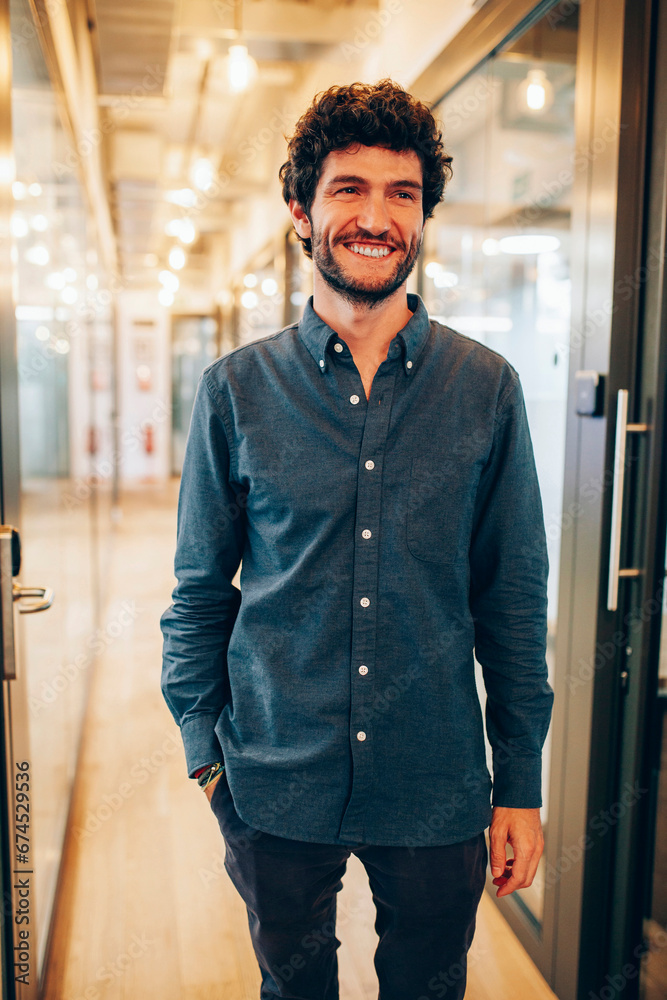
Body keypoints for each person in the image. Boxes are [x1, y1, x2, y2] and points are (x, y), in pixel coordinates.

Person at [160, 78, 554, 1000]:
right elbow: (199, 594)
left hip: (434, 780)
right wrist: (206, 756)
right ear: (301, 212)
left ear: (421, 218)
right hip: (272, 781)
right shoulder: (236, 392)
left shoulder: (486, 390)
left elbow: (511, 599)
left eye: (401, 194)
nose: (376, 218)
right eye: (348, 189)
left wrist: (519, 781)